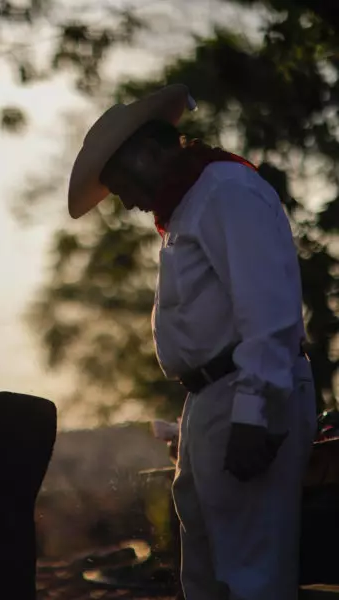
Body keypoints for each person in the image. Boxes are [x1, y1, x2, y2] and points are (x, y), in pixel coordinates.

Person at [67, 84, 315, 599]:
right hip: (212, 399)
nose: (128, 202)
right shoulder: (192, 203)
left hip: (242, 393)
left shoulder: (225, 190)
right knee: (205, 574)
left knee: (251, 574)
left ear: (149, 153)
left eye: (122, 185)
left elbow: (269, 313)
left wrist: (254, 413)